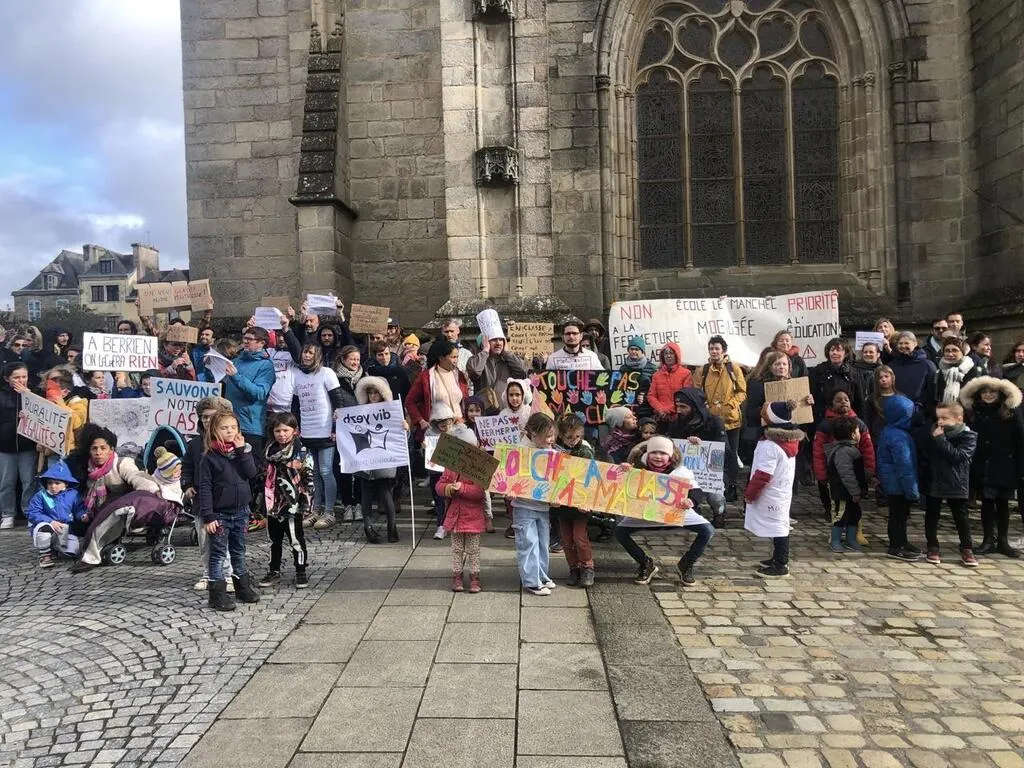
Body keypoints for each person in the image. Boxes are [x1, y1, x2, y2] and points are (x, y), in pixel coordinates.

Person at [69, 425, 161, 573]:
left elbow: (136, 477)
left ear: (111, 450)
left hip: (124, 509)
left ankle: (90, 559)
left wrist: (153, 489)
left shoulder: (122, 464)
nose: (98, 452)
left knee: (103, 522)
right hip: (99, 509)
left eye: (103, 448)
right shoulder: (89, 469)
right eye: (94, 449)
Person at [197, 411, 261, 611]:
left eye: (233, 427)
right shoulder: (209, 458)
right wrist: (208, 516)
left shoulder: (243, 452)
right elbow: (205, 488)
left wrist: (242, 452)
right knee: (218, 554)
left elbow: (251, 473)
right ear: (214, 430)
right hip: (220, 514)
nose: (230, 431)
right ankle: (217, 594)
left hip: (241, 510)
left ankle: (242, 587)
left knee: (238, 550)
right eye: (224, 428)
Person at [959, 376, 1024, 557]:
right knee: (987, 502)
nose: (988, 395)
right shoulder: (975, 412)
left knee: (1003, 503)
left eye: (992, 392)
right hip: (983, 463)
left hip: (1005, 463)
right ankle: (988, 539)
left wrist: (1020, 466)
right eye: (984, 392)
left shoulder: (1010, 412)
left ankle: (1003, 540)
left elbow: (1020, 438)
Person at [182, 396, 236, 592]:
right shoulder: (195, 444)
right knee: (204, 541)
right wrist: (187, 485)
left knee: (224, 542)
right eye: (203, 417)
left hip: (224, 500)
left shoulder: (231, 442)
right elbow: (187, 466)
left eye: (211, 416)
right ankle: (208, 574)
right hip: (202, 501)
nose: (206, 420)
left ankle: (228, 575)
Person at [744, 401, 805, 577]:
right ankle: (778, 557)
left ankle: (781, 563)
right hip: (781, 491)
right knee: (779, 524)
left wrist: (750, 494)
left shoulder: (771, 446)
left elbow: (763, 474)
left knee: (779, 527)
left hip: (771, 492)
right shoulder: (787, 441)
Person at [915, 402, 978, 567]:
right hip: (935, 480)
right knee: (932, 515)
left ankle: (966, 548)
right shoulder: (934, 432)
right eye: (938, 418)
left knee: (961, 516)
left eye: (945, 418)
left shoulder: (968, 436)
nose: (940, 421)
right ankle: (932, 546)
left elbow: (958, 457)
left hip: (956, 482)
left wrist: (940, 439)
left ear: (959, 419)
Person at [292, 344, 345, 530]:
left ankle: (329, 512)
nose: (306, 355)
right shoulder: (298, 376)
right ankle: (315, 510)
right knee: (313, 473)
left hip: (325, 430)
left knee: (325, 471)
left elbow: (338, 402)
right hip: (307, 430)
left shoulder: (326, 373)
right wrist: (296, 426)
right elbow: (296, 404)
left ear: (318, 355)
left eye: (310, 353)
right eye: (304, 352)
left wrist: (336, 428)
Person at [812, 389, 875, 544]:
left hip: (856, 471)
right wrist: (821, 474)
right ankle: (836, 534)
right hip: (834, 474)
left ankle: (857, 532)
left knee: (856, 505)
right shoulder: (825, 426)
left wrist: (869, 470)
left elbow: (867, 448)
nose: (843, 402)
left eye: (846, 399)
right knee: (839, 505)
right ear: (831, 404)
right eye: (838, 400)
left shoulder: (859, 423)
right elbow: (818, 452)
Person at [259, 412, 314, 589]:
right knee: (273, 540)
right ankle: (273, 569)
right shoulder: (268, 452)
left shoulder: (301, 452)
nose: (282, 434)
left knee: (296, 539)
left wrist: (307, 503)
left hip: (293, 503)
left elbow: (309, 478)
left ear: (294, 431)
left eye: (285, 430)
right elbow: (262, 476)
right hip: (272, 502)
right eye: (278, 431)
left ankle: (300, 570)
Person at [693, 335, 747, 501]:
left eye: (717, 348)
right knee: (714, 454)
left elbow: (742, 392)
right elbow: (697, 392)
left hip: (731, 419)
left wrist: (731, 404)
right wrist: (705, 407)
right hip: (710, 419)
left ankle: (731, 486)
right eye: (711, 348)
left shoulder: (733, 369)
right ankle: (714, 485)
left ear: (724, 350)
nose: (714, 351)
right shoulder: (702, 370)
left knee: (731, 453)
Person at [437, 424, 488, 593]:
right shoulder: (450, 467)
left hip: (473, 518)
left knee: (473, 550)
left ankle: (475, 577)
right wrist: (447, 488)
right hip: (455, 517)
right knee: (457, 550)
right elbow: (439, 485)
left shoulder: (477, 468)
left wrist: (462, 488)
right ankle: (457, 576)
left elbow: (479, 492)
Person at [666, 388, 728, 527]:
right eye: (677, 406)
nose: (679, 410)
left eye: (683, 407)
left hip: (709, 472)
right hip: (685, 470)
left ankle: (719, 513)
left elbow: (724, 449)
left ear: (694, 407)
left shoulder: (714, 422)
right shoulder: (676, 424)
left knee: (715, 496)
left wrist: (703, 445)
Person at [511, 413, 558, 595]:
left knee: (542, 543)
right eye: (547, 436)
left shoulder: (551, 452)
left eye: (552, 435)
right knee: (528, 542)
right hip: (524, 506)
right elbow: (509, 475)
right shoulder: (519, 451)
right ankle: (531, 581)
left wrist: (557, 497)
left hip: (543, 507)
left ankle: (541, 576)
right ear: (533, 433)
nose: (551, 440)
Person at [354, 376, 402, 543]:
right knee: (366, 492)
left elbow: (400, 435)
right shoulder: (359, 411)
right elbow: (351, 426)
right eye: (370, 393)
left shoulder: (391, 411)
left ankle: (392, 527)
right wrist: (340, 418)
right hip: (365, 456)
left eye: (376, 392)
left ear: (382, 393)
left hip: (384, 457)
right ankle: (368, 527)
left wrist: (405, 428)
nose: (373, 396)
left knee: (385, 492)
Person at [877, 395, 922, 561]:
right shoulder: (898, 437)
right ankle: (896, 545)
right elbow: (904, 465)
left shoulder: (892, 431)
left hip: (894, 482)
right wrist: (912, 490)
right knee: (898, 516)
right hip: (898, 484)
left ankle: (902, 541)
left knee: (900, 515)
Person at [553, 413, 597, 587]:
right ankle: (574, 568)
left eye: (577, 436)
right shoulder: (555, 450)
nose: (573, 440)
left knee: (579, 537)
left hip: (580, 502)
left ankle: (587, 567)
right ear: (561, 435)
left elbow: (591, 478)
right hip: (562, 503)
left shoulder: (585, 451)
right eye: (569, 437)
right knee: (566, 539)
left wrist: (587, 501)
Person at [219, 326, 276, 454]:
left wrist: (236, 376)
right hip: (229, 426)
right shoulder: (236, 361)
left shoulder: (266, 366)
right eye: (244, 338)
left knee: (249, 464)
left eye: (250, 339)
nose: (245, 341)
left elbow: (259, 393)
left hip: (250, 428)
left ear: (261, 343)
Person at [25, 461, 84, 567]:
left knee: (73, 551)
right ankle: (45, 555)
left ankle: (54, 547)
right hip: (47, 525)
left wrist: (83, 515)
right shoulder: (40, 495)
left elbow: (79, 508)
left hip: (65, 528)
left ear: (66, 483)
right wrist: (50, 521)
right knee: (44, 529)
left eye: (57, 483)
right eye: (50, 483)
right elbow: (32, 513)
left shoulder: (73, 495)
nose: (53, 486)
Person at [823, 417, 869, 554]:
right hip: (842, 492)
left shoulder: (852, 450)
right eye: (858, 431)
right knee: (841, 515)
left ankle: (851, 539)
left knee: (855, 515)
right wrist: (855, 492)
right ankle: (835, 540)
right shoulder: (843, 452)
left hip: (853, 492)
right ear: (853, 434)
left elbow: (858, 471)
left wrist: (869, 477)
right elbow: (847, 474)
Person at [0, 362, 36, 529]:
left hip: (27, 445)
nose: (21, 380)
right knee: (6, 483)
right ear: (7, 379)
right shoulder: (2, 395)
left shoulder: (34, 393)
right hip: (5, 446)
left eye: (24, 376)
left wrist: (28, 396)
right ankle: (7, 514)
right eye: (16, 377)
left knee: (28, 481)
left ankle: (29, 512)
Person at [810, 338, 865, 421]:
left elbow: (860, 401)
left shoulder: (854, 373)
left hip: (848, 419)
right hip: (824, 419)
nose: (834, 353)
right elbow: (813, 396)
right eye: (832, 350)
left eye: (838, 350)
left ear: (845, 353)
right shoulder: (818, 371)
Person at [466, 331, 528, 403]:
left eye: (501, 339)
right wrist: (485, 351)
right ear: (484, 343)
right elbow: (474, 371)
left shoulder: (509, 361)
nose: (498, 343)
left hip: (505, 407)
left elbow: (523, 371)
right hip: (484, 407)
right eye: (493, 340)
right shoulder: (475, 360)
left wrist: (507, 353)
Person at [889, 331, 937, 407]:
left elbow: (932, 391)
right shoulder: (891, 366)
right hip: (896, 408)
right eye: (900, 343)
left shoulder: (928, 365)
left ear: (915, 344)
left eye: (906, 343)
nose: (903, 346)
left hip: (919, 409)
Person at [647, 341, 692, 422]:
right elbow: (651, 396)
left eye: (671, 353)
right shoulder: (656, 375)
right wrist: (660, 409)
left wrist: (667, 410)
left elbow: (686, 397)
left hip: (679, 417)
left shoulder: (686, 374)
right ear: (662, 356)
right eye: (666, 353)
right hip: (660, 417)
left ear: (676, 355)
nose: (668, 356)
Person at [934, 336, 980, 407]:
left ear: (962, 353)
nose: (950, 354)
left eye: (954, 350)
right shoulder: (940, 370)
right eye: (947, 351)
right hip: (945, 409)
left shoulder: (972, 370)